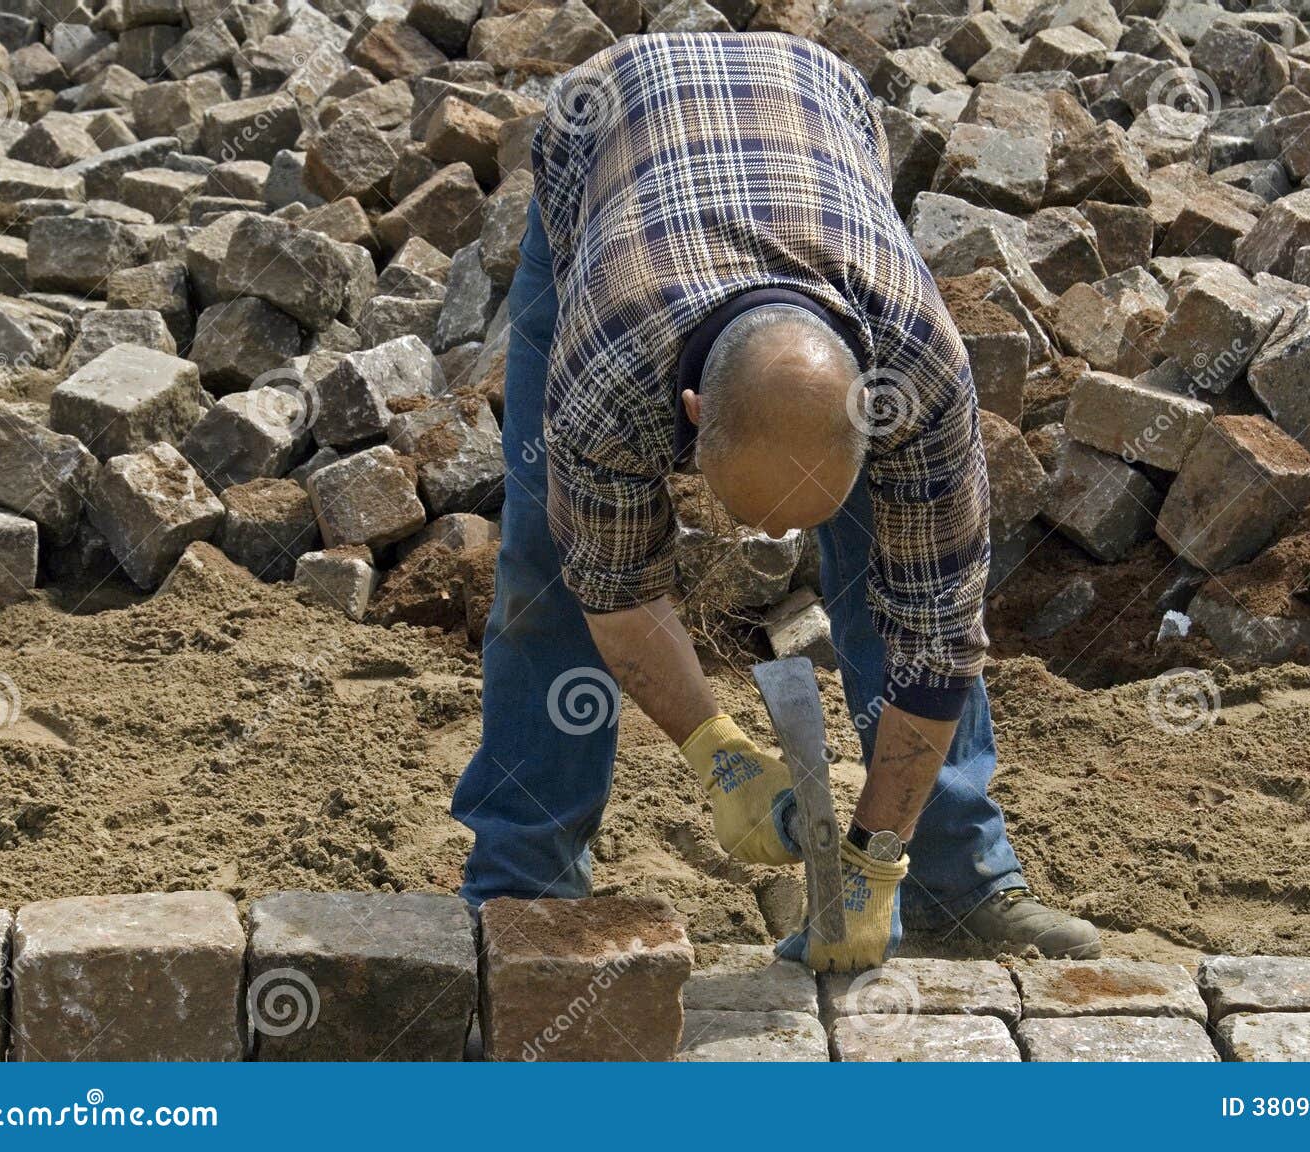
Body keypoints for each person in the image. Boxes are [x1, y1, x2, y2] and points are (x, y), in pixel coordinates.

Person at [452, 32, 1101, 970]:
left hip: (814, 116)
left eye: (805, 509)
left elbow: (940, 633)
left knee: (900, 570)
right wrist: (718, 754)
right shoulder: (606, 377)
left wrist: (872, 858)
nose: (781, 542)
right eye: (756, 513)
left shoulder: (919, 372)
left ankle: (957, 881)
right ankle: (524, 883)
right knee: (547, 566)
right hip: (610, 145)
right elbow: (613, 585)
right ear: (690, 412)